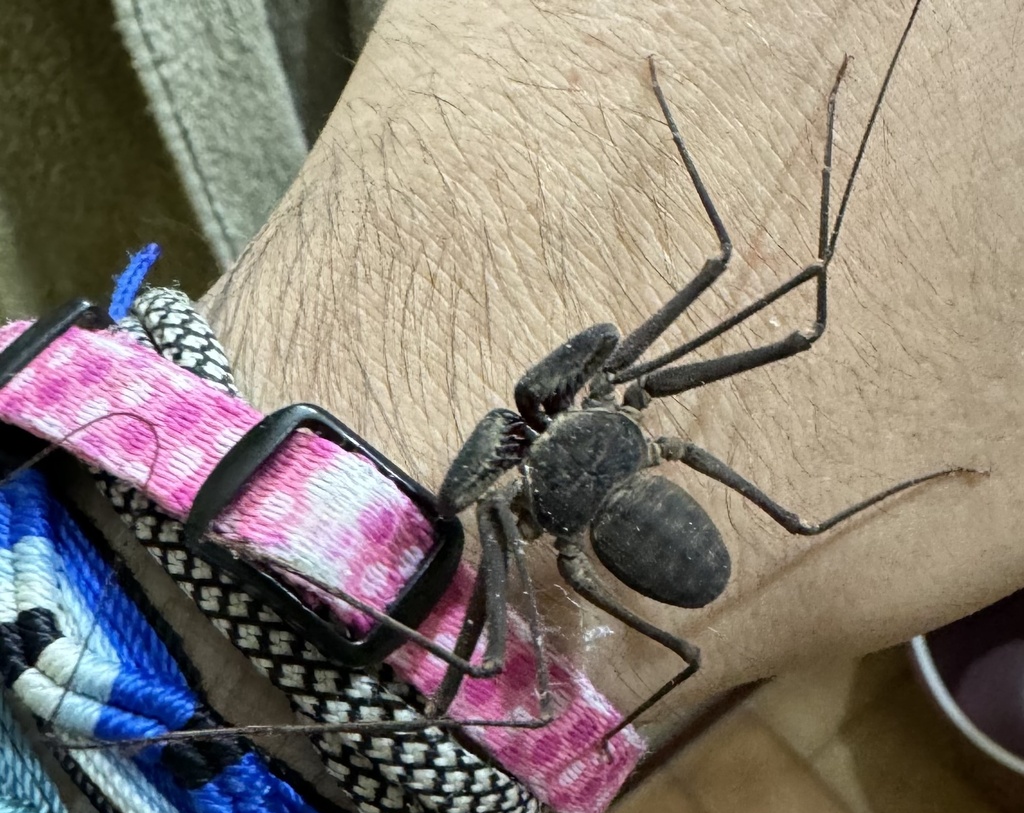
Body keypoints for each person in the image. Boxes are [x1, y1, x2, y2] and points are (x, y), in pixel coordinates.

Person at [197, 0, 1024, 749]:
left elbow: (760, 290)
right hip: (634, 505)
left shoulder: (540, 506)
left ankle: (848, 107)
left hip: (631, 515)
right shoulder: (613, 415)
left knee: (767, 297)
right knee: (766, 305)